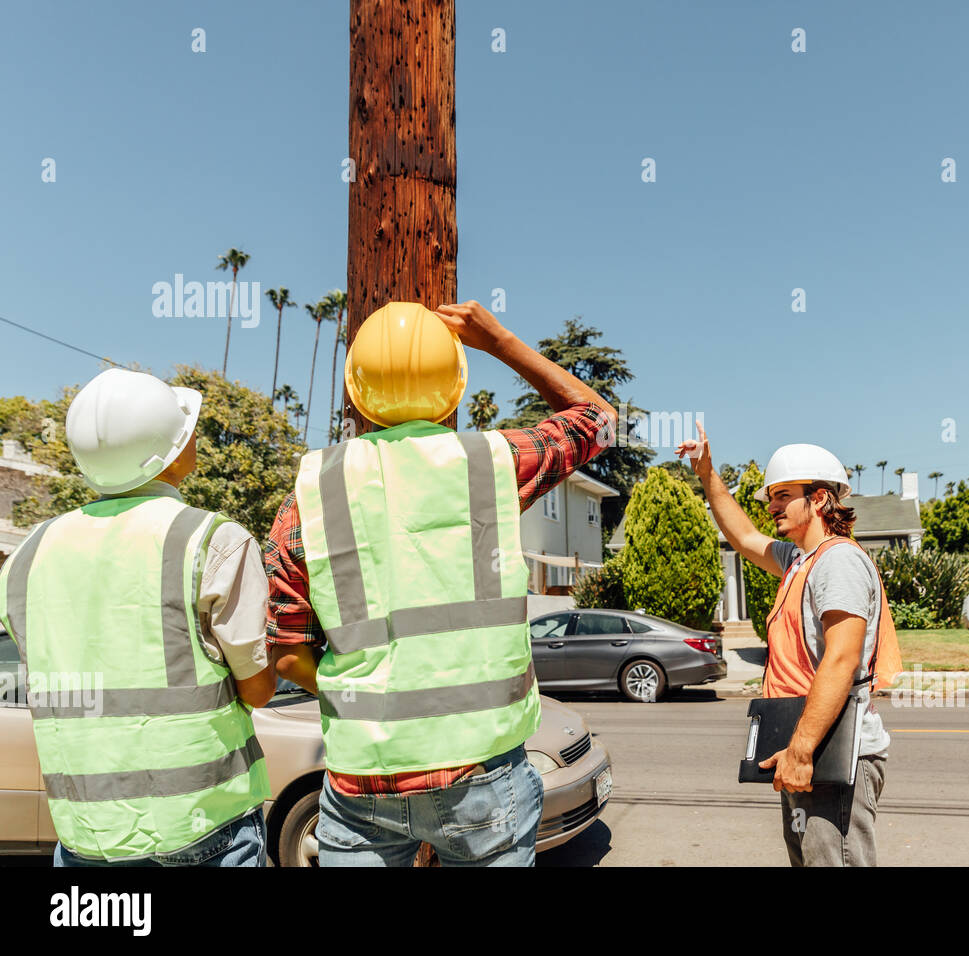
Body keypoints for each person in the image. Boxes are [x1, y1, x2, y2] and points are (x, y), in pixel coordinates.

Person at [265, 299, 617, 867]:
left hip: (362, 782)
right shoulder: (492, 464)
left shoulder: (310, 494)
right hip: (482, 775)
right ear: (456, 384)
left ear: (355, 392)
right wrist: (499, 339)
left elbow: (286, 657)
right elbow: (598, 418)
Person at [0, 368, 276, 866]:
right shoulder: (212, 540)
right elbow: (257, 688)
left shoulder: (28, 554)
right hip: (204, 826)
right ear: (168, 453)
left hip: (86, 835)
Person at [676, 424, 901, 867]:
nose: (772, 506)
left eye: (783, 495)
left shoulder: (837, 561)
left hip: (831, 752)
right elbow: (743, 538)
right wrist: (707, 474)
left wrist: (801, 750)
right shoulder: (800, 560)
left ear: (818, 499)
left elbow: (841, 659)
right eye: (770, 496)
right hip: (806, 746)